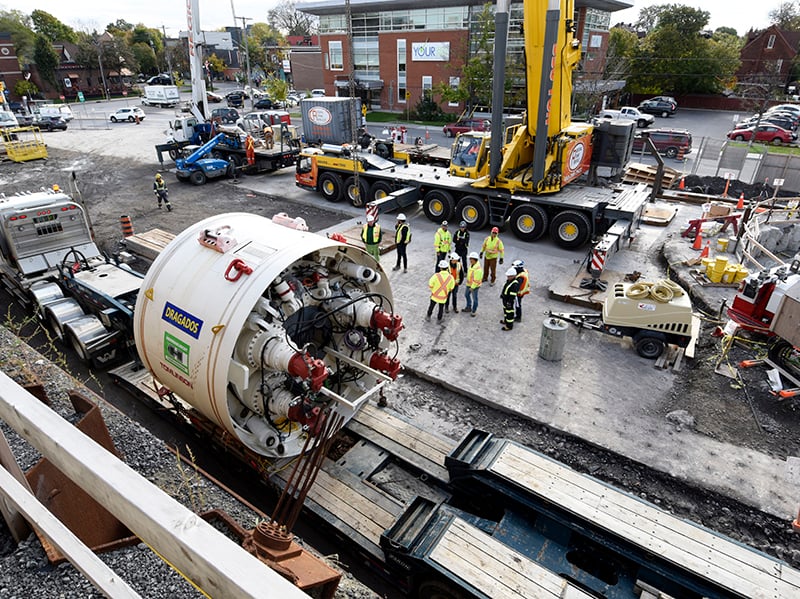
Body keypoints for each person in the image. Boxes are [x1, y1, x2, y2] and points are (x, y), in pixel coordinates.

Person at [463, 251, 483, 316]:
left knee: (475, 299)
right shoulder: (472, 265)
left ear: (475, 260)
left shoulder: (478, 269)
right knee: (466, 295)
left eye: (471, 259)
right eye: (470, 259)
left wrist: (472, 287)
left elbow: (476, 280)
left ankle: (473, 311)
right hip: (469, 284)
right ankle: (468, 307)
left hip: (475, 286)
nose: (470, 260)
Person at [500, 267, 519, 331]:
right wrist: (502, 295)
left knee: (509, 313)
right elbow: (505, 288)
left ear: (513, 276)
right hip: (505, 299)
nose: (507, 277)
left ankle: (509, 326)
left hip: (509, 301)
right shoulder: (509, 281)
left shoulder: (515, 284)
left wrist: (509, 302)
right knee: (505, 311)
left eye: (509, 276)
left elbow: (512, 295)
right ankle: (506, 321)